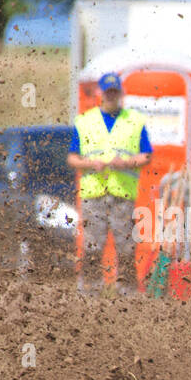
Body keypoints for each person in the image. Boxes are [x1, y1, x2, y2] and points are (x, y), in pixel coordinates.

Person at [66, 72, 153, 294]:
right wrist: (90, 163)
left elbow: (146, 156)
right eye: (107, 92)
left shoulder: (134, 121)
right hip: (93, 193)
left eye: (115, 92)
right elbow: (72, 158)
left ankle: (127, 292)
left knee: (125, 246)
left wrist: (125, 163)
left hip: (122, 193)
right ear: (100, 93)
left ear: (120, 93)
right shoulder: (85, 121)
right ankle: (90, 290)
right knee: (92, 245)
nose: (111, 96)